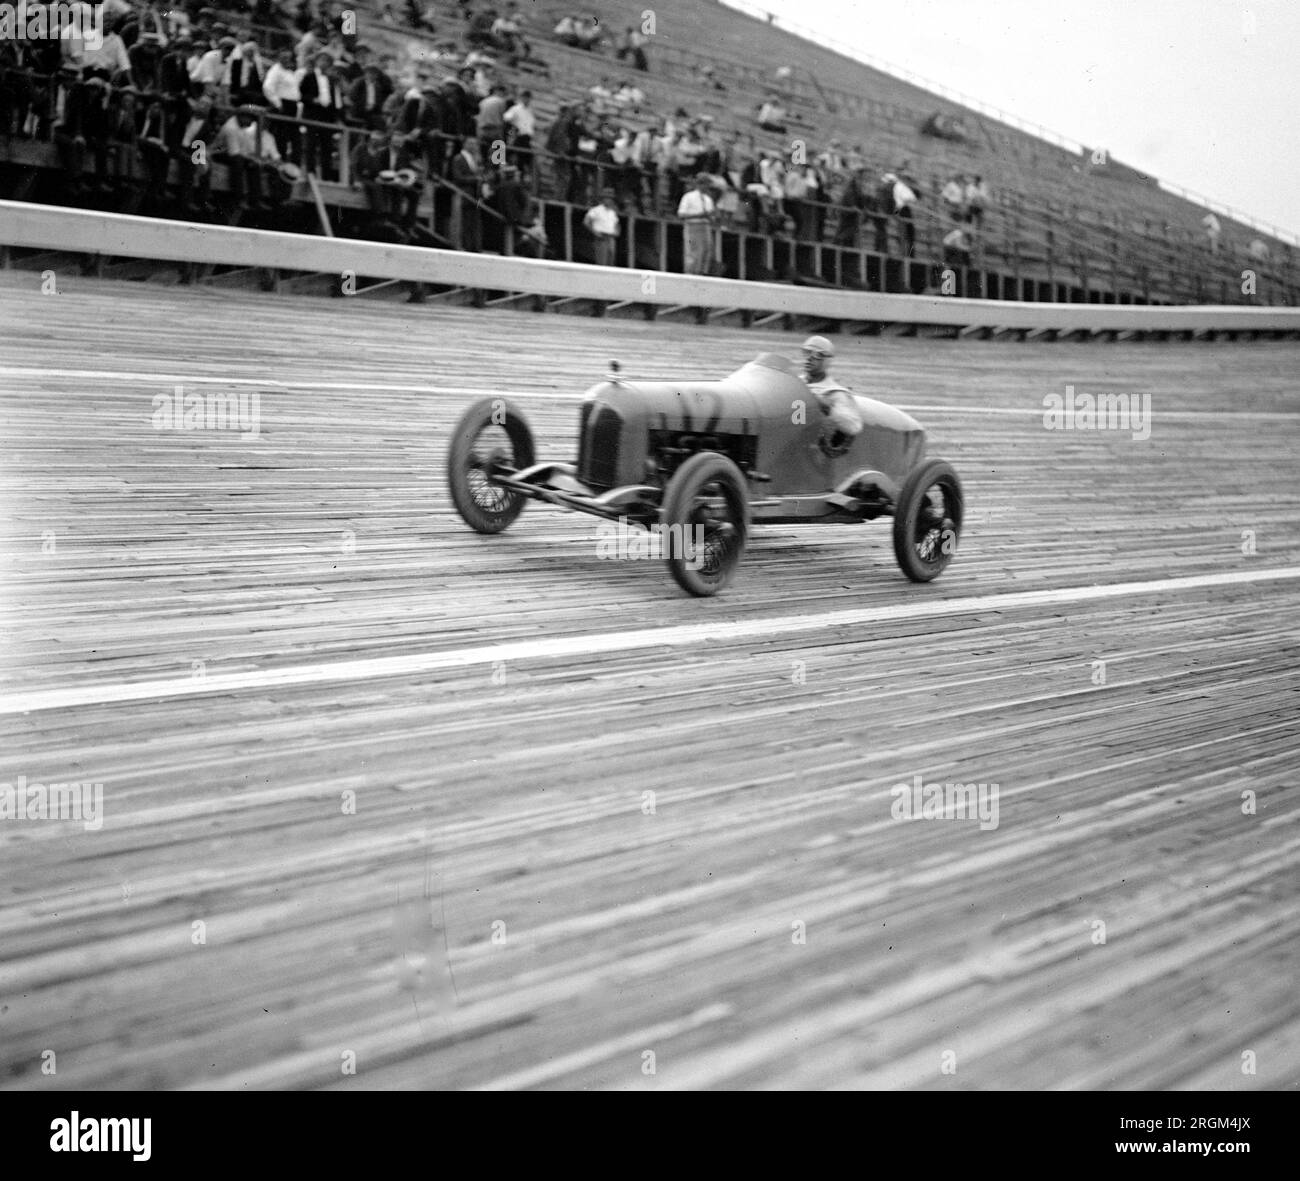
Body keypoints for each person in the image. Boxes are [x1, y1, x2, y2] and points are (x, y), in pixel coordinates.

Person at [799, 336, 862, 453]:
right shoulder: (794, 381)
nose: (809, 358)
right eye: (807, 352)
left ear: (826, 361)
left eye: (818, 355)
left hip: (809, 446)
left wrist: (826, 407)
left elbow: (853, 426)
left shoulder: (835, 393)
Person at [677, 173, 716, 274]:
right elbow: (681, 214)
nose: (707, 186)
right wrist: (699, 215)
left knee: (706, 250)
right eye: (706, 184)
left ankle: (702, 272)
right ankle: (690, 272)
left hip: (705, 226)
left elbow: (711, 216)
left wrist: (711, 217)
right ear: (700, 184)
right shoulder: (688, 197)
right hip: (692, 225)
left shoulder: (708, 199)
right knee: (693, 250)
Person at [583, 188, 619, 266]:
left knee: (611, 261)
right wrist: (595, 232)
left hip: (611, 238)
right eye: (607, 198)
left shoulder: (612, 212)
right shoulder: (596, 210)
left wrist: (616, 232)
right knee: (602, 262)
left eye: (611, 199)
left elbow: (616, 224)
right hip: (601, 237)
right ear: (603, 199)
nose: (609, 200)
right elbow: (586, 222)